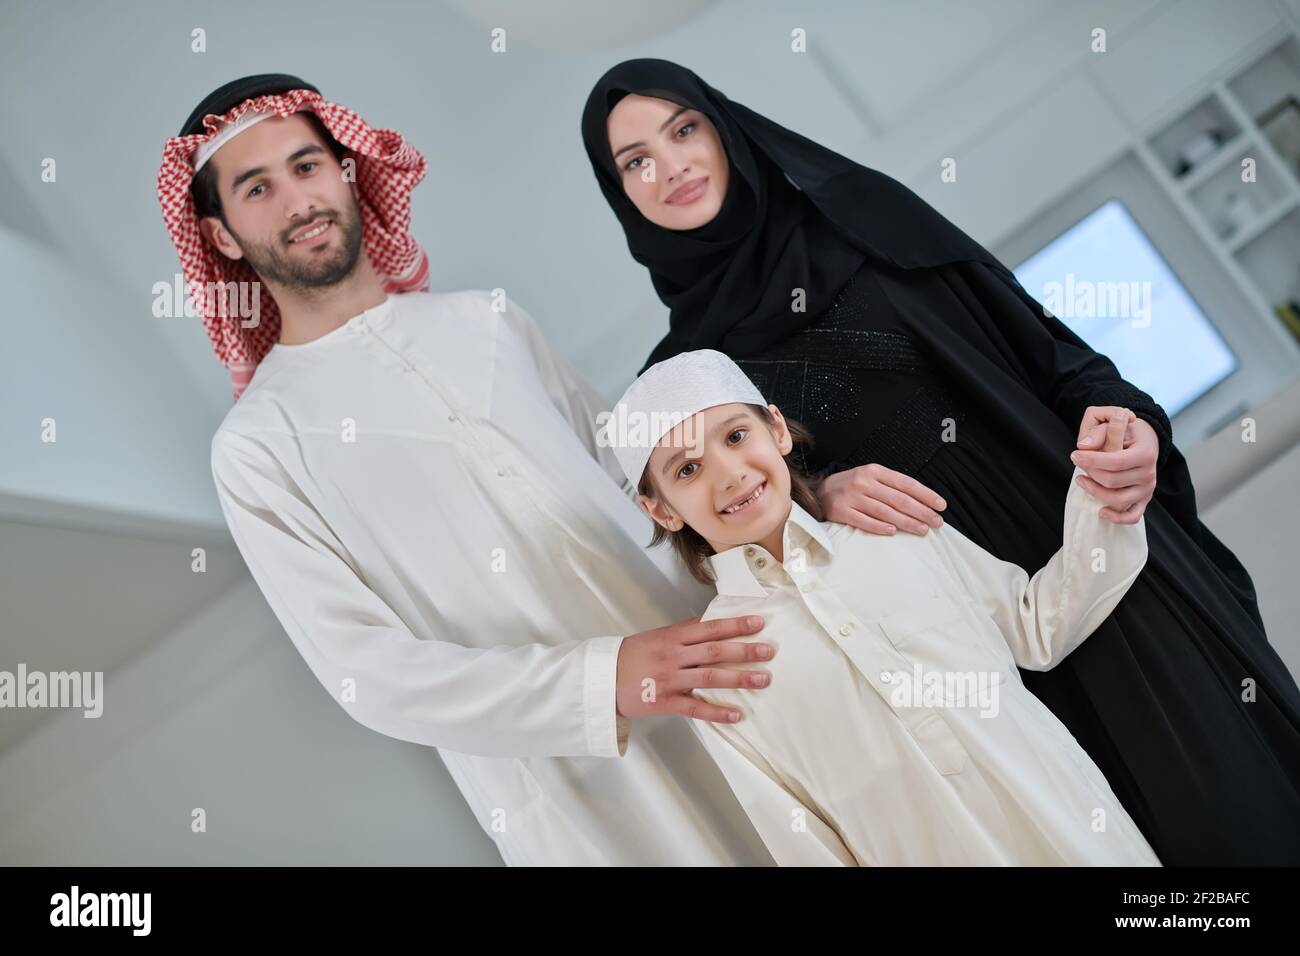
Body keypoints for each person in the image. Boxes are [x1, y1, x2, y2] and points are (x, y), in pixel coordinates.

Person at [580, 58, 1300, 864]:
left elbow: (1051, 351)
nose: (669, 165)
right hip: (941, 635)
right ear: (621, 196)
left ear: (724, 128)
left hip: (1079, 549)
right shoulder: (685, 376)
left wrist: (1130, 427)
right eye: (635, 161)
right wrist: (816, 490)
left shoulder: (862, 214)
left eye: (684, 130)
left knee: (1231, 813)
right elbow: (750, 530)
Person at [157, 73, 788, 866]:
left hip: (729, 674)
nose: (298, 200)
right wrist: (601, 682)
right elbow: (366, 672)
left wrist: (807, 498)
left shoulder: (487, 321)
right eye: (257, 186)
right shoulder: (258, 445)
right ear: (218, 235)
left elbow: (653, 479)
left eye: (308, 165)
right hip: (587, 788)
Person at [606, 348, 1158, 865]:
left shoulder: (895, 533)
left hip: (1078, 834)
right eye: (687, 470)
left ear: (776, 429)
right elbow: (805, 844)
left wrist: (1102, 491)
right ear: (661, 511)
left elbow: (1038, 626)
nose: (728, 474)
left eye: (736, 435)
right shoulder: (716, 671)